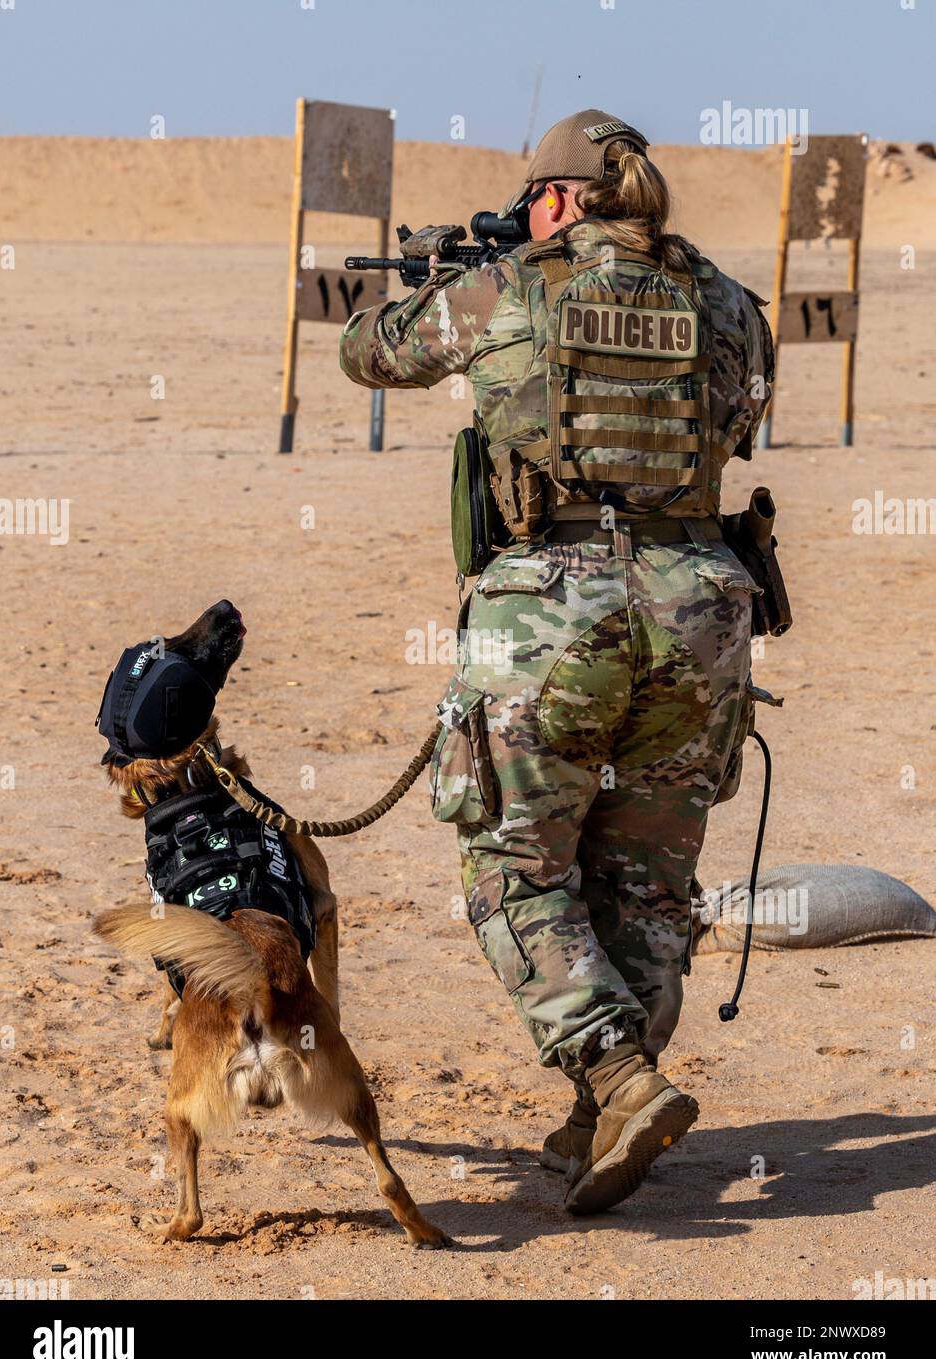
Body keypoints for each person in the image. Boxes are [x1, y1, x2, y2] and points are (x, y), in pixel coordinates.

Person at [339, 109, 774, 1214]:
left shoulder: (505, 291)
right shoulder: (728, 303)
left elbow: (369, 351)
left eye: (537, 200)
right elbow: (737, 420)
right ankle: (599, 1119)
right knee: (646, 880)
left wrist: (459, 278)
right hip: (700, 614)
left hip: (551, 614)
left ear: (562, 200)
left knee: (512, 868)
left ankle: (618, 1074)